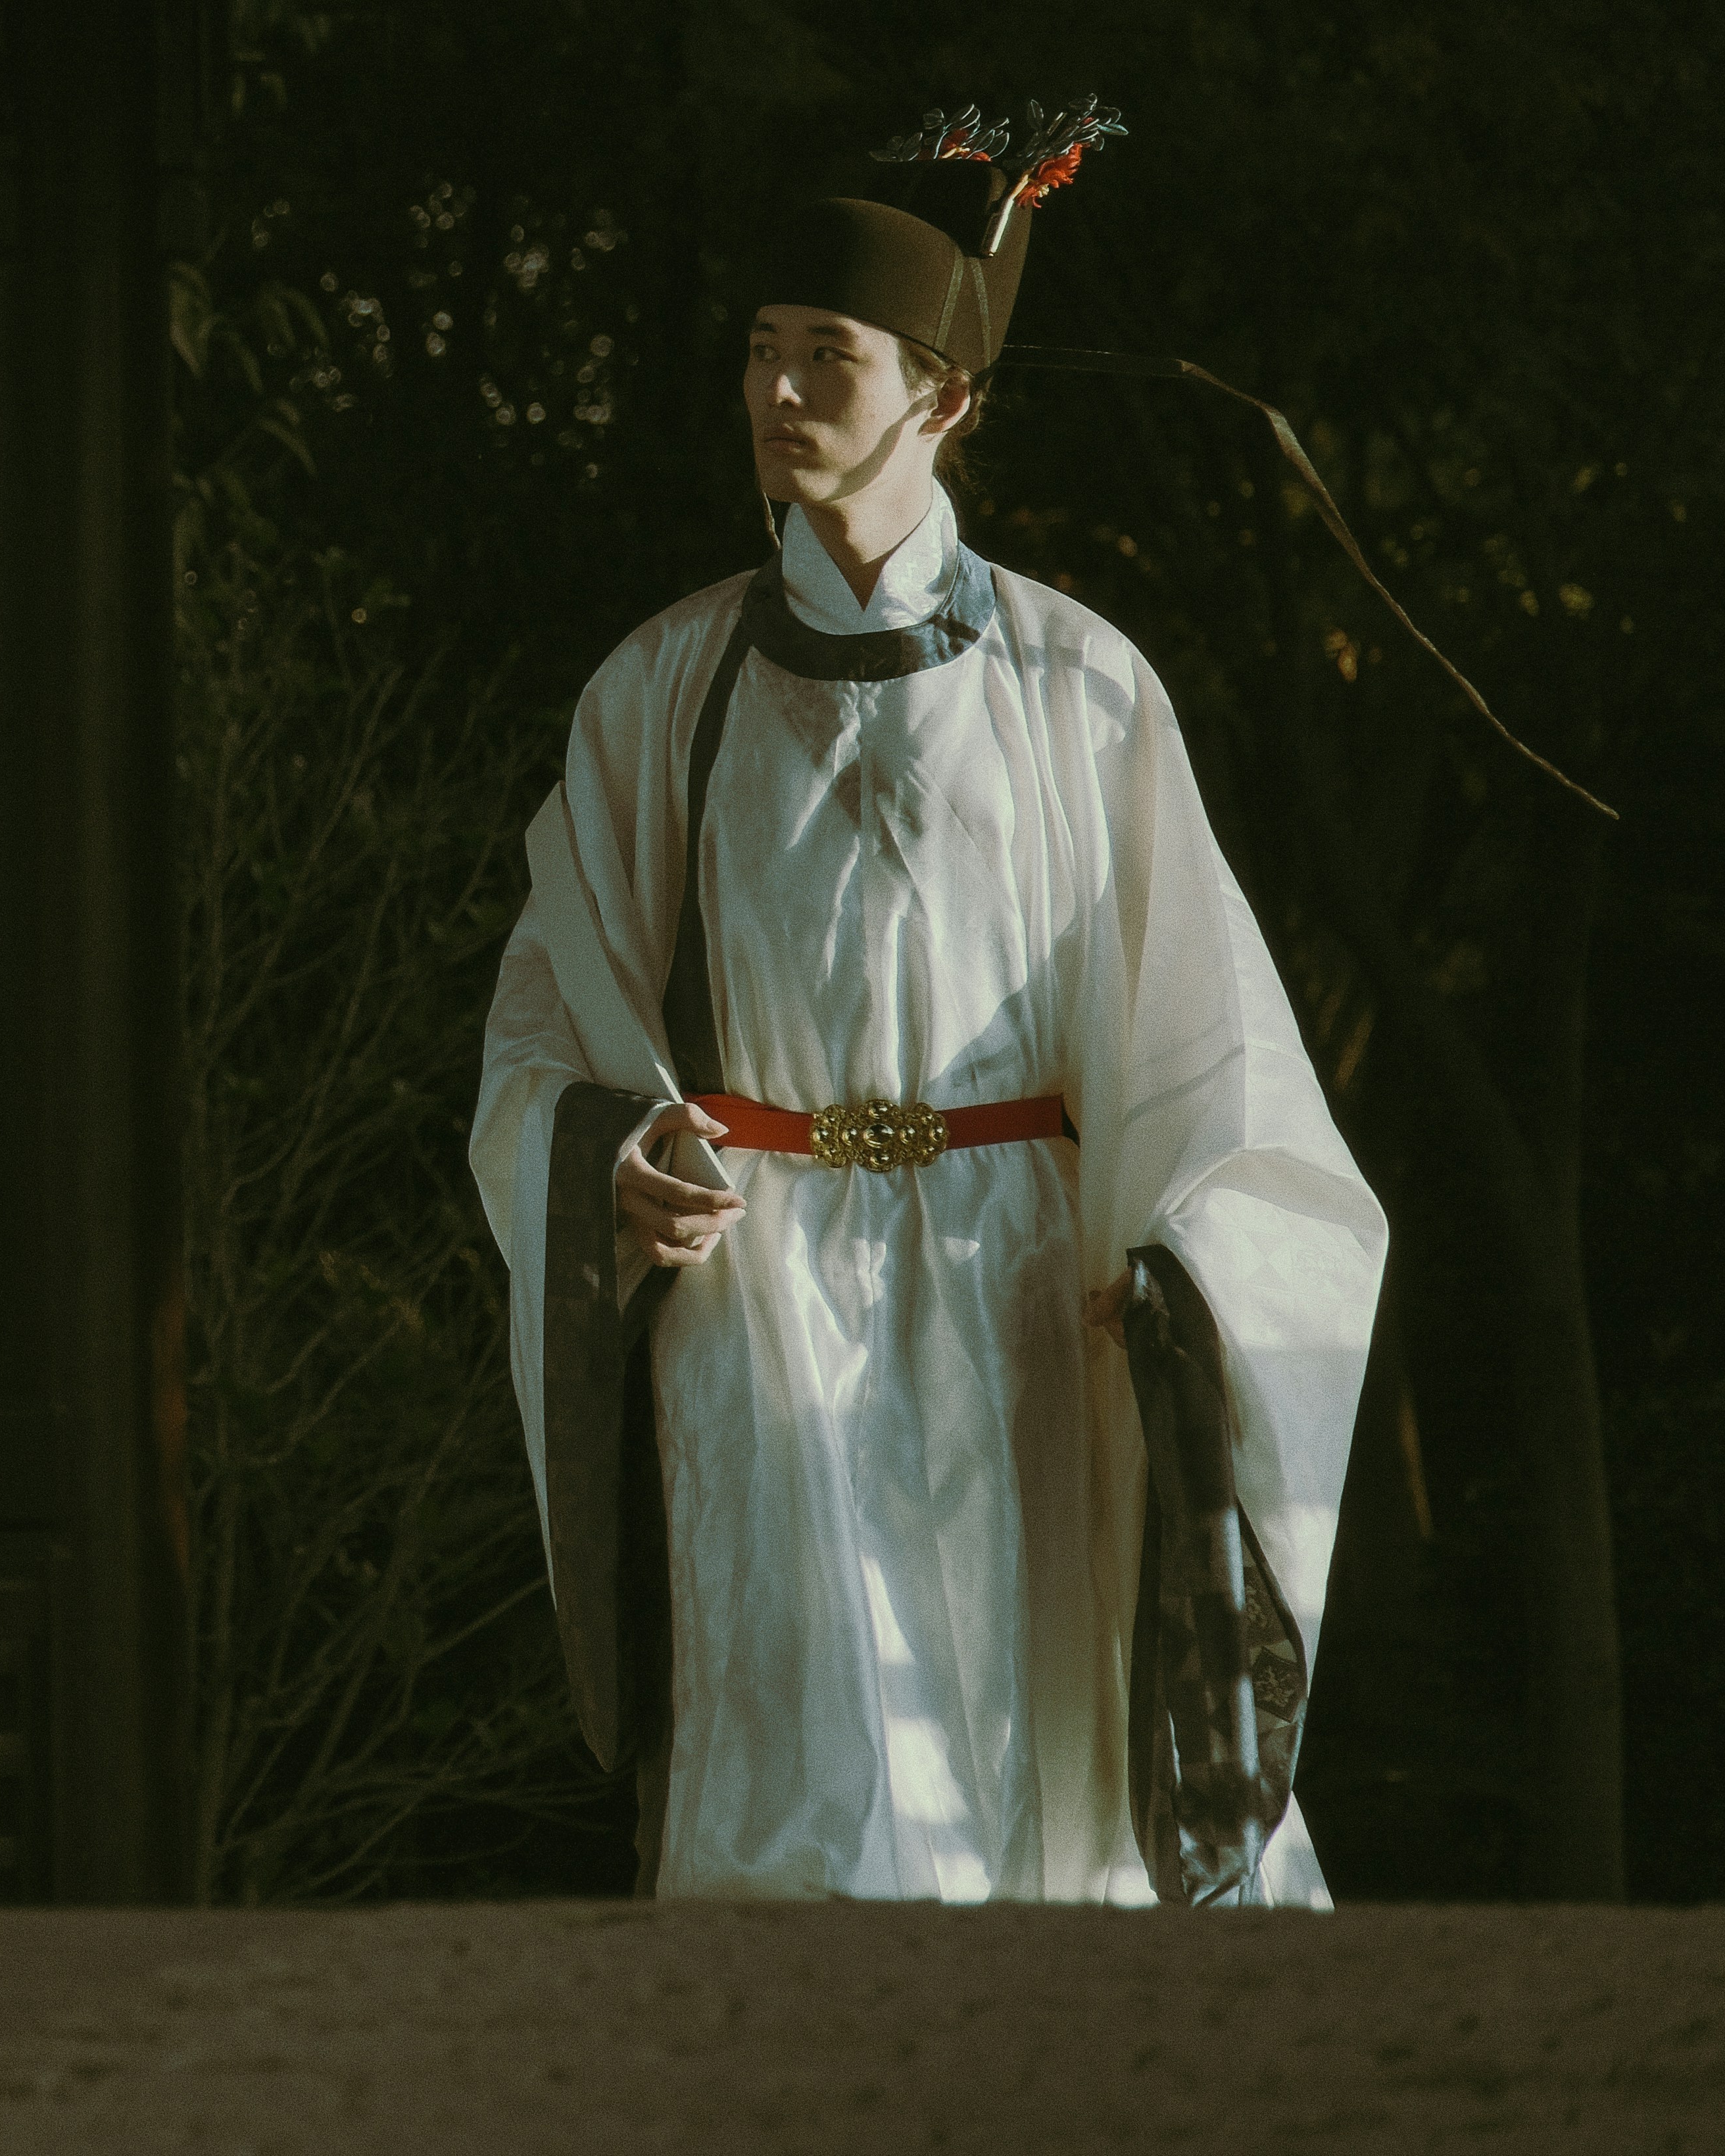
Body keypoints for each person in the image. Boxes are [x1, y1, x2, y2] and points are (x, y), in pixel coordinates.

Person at [468, 106, 1384, 1905]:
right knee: (807, 1802)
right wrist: (612, 1154)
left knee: (1034, 1788)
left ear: (943, 400)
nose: (780, 393)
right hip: (764, 1313)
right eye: (761, 352)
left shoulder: (1081, 689)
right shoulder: (660, 696)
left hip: (1022, 1310)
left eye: (831, 358)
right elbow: (541, 1028)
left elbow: (1217, 1054)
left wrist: (1193, 1267)